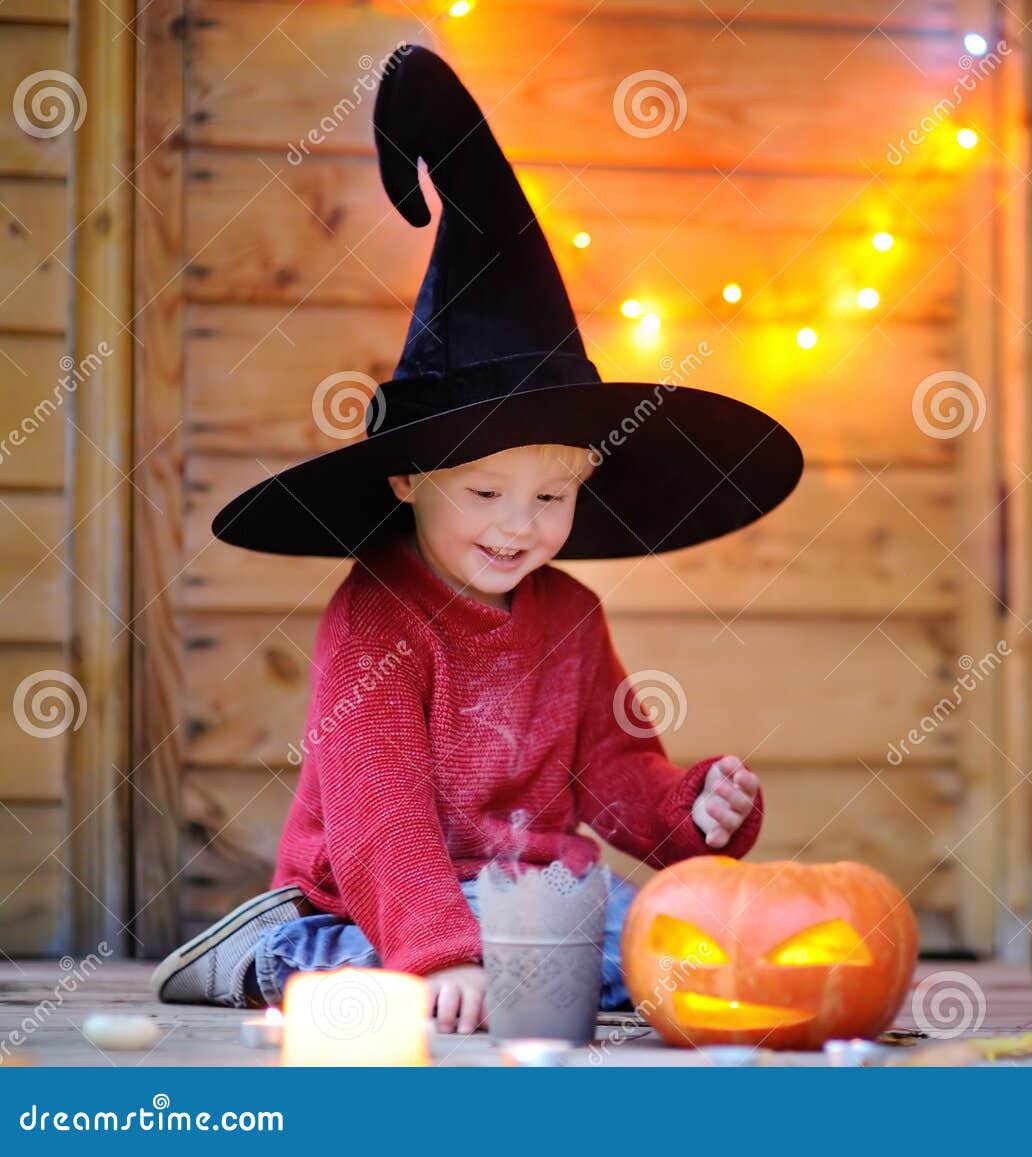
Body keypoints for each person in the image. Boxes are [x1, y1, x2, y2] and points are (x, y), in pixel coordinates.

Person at [150, 43, 802, 1036]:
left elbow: (615, 771)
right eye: (487, 490)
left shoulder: (570, 616)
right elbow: (379, 811)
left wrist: (689, 813)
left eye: (551, 495)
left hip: (534, 895)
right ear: (407, 480)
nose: (518, 525)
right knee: (365, 968)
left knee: (657, 943)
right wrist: (440, 946)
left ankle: (497, 954)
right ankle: (260, 947)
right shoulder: (379, 615)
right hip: (378, 894)